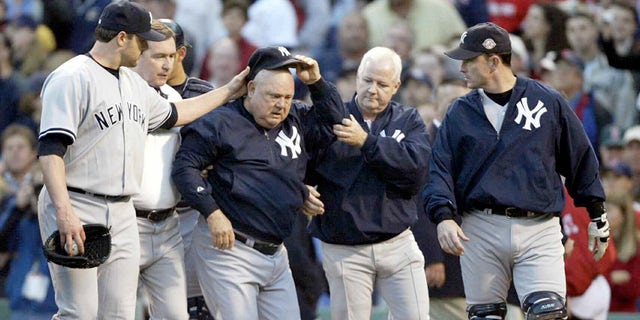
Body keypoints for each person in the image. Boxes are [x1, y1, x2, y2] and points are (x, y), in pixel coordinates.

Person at [36, 1, 248, 319]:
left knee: (119, 314)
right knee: (79, 312)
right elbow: (51, 149)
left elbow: (177, 114)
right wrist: (65, 213)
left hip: (123, 210)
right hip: (77, 201)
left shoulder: (133, 82)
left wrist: (229, 90)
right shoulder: (72, 77)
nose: (146, 47)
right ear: (122, 38)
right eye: (142, 40)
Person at [423, 22, 609, 320]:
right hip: (480, 227)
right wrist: (443, 216)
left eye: (469, 60)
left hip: (539, 225)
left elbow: (580, 159)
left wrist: (597, 212)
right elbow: (440, 169)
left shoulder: (547, 101)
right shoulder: (459, 111)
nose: (461, 68)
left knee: (548, 313)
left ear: (494, 61)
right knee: (485, 315)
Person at [171, 46, 344, 320]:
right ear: (250, 88)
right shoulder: (220, 121)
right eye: (274, 96)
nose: (281, 105)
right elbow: (184, 167)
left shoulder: (295, 117)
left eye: (287, 97)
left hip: (276, 253)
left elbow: (337, 125)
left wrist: (317, 84)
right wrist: (212, 213)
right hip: (230, 250)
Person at [307, 46, 431, 320]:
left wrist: (366, 141)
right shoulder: (331, 117)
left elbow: (417, 170)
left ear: (396, 86)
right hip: (344, 248)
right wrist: (300, 189)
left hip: (398, 242)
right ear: (357, 78)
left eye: (382, 84)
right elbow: (301, 164)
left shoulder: (408, 119)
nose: (372, 89)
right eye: (367, 80)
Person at [129, 20, 188, 320]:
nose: (167, 65)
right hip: (125, 223)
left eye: (171, 56)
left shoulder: (175, 98)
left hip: (167, 226)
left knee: (177, 316)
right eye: (158, 56)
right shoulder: (120, 91)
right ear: (137, 53)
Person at [159, 17, 217, 320]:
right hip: (147, 213)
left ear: (181, 53)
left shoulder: (204, 93)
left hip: (192, 213)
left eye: (167, 51)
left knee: (198, 306)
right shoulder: (135, 89)